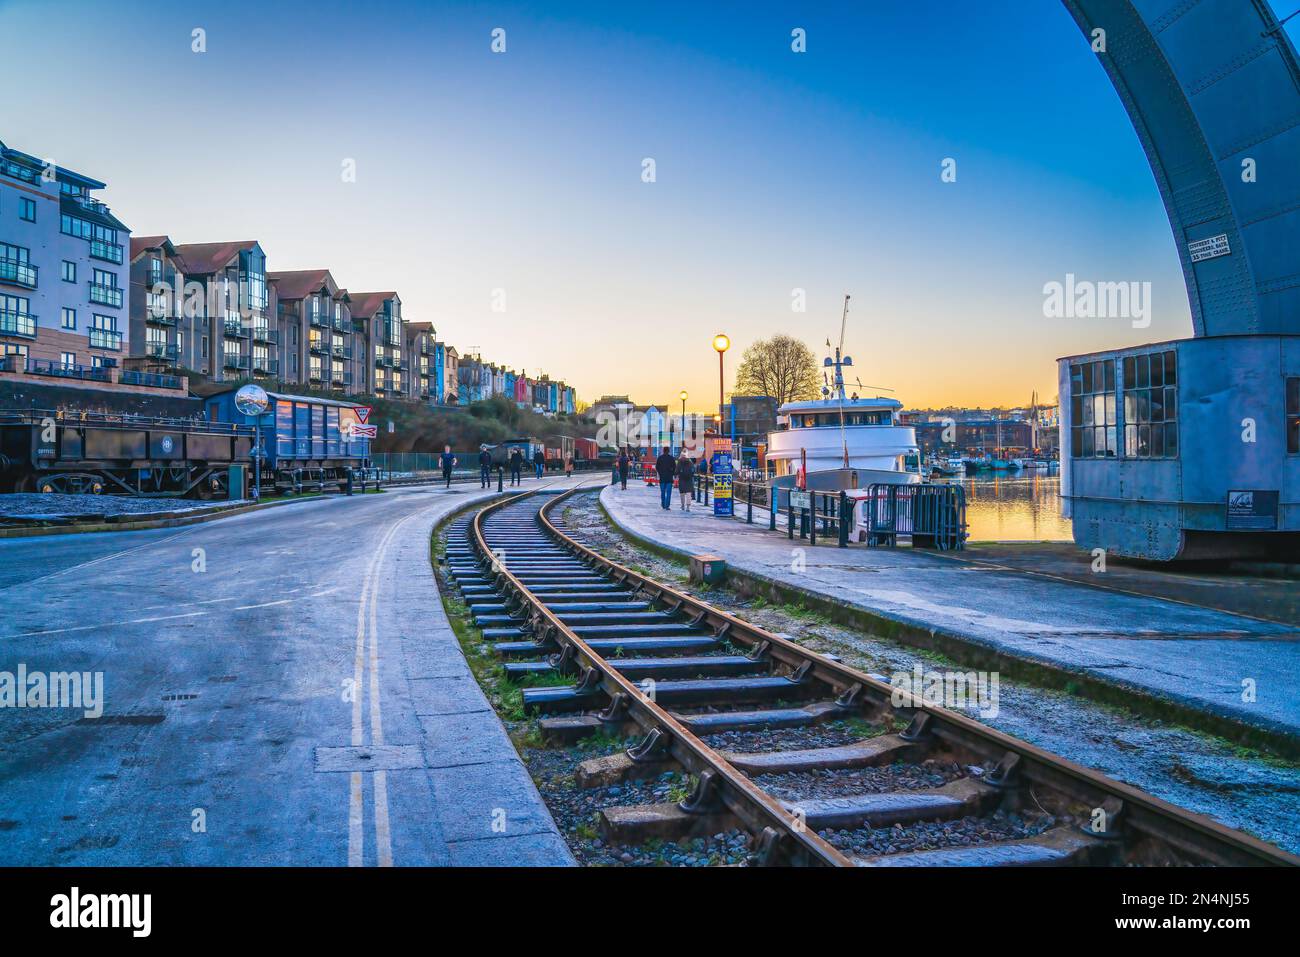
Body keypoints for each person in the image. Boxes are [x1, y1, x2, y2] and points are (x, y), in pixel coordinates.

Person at [654, 446, 676, 510]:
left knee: (663, 492)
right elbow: (674, 467)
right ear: (668, 451)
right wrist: (671, 473)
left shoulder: (660, 458)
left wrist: (660, 473)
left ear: (663, 451)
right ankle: (667, 505)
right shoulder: (671, 458)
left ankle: (663, 504)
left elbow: (657, 467)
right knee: (668, 493)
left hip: (662, 478)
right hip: (669, 478)